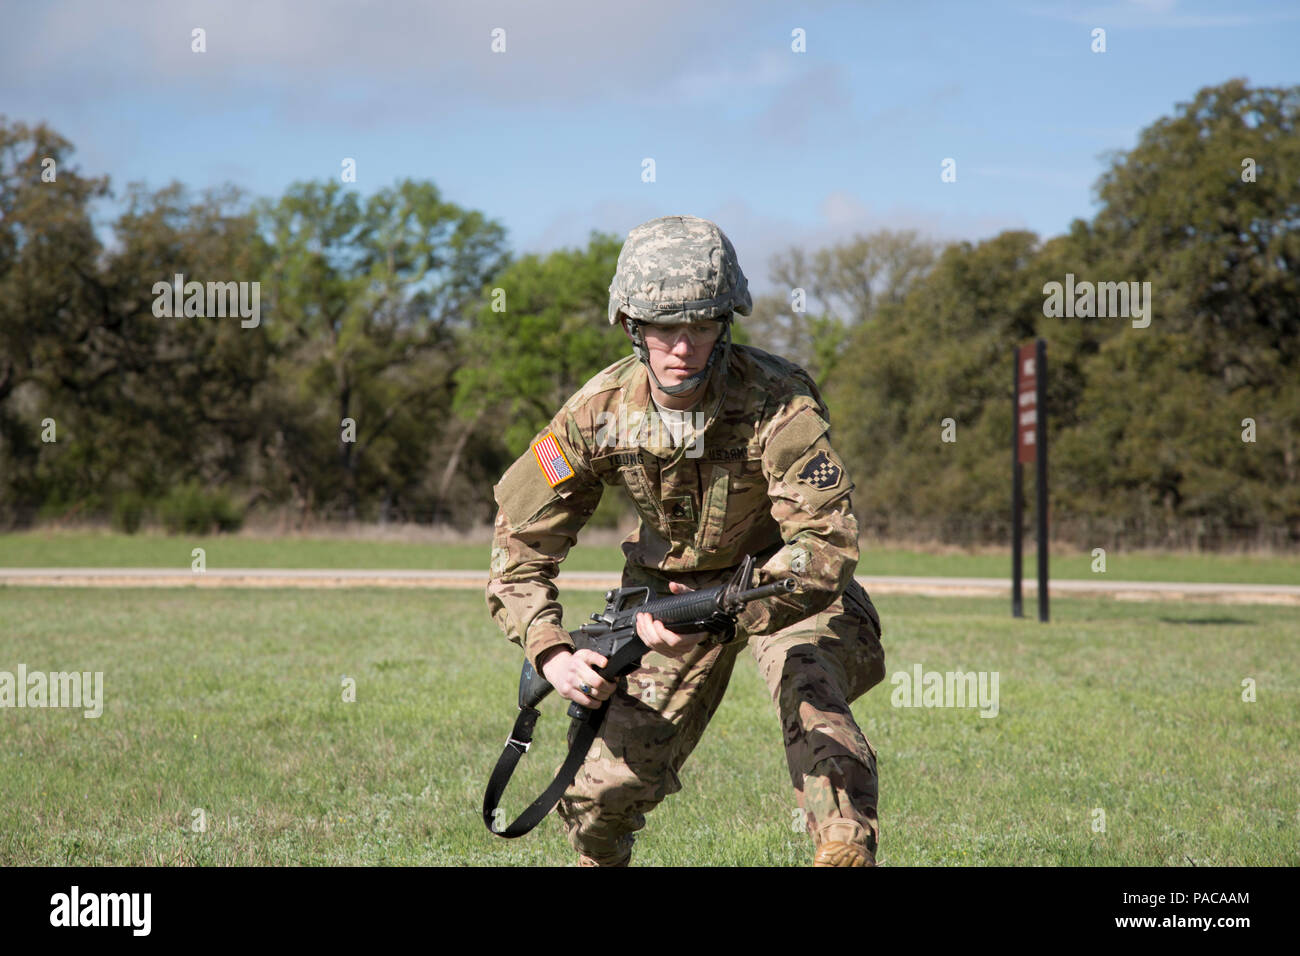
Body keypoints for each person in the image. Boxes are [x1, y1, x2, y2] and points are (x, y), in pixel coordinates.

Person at [486, 215, 885, 866]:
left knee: (812, 697)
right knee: (598, 799)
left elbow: (826, 543)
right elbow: (519, 550)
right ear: (631, 327)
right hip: (662, 607)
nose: (683, 346)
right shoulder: (595, 416)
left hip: (780, 583)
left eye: (702, 325)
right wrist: (551, 648)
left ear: (725, 323)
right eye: (665, 327)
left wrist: (723, 614)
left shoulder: (779, 403)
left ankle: (843, 850)